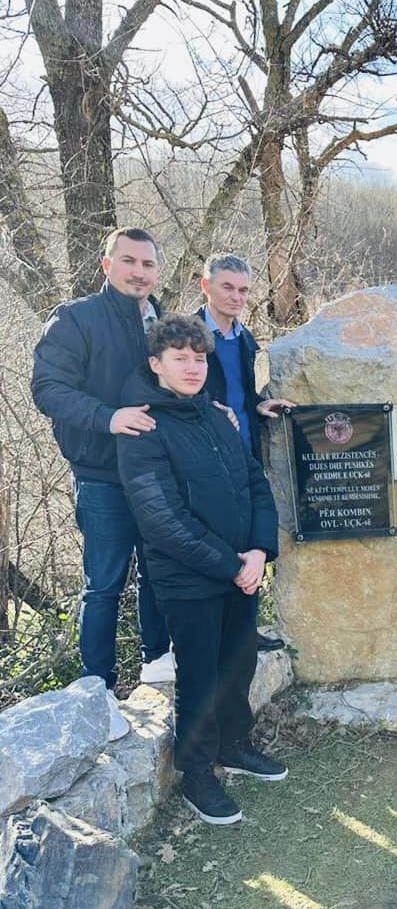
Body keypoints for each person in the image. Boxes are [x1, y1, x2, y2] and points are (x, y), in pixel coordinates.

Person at [116, 314, 285, 825]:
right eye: (180, 358)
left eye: (199, 358)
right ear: (156, 363)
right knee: (199, 676)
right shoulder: (143, 428)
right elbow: (162, 518)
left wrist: (259, 551)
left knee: (239, 663)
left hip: (242, 569)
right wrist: (231, 565)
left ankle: (233, 744)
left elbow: (254, 482)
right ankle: (196, 772)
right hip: (190, 580)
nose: (192, 367)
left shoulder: (216, 416)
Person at [31, 227, 173, 740]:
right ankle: (98, 692)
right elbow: (47, 388)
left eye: (148, 264)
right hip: (101, 475)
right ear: (106, 265)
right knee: (104, 585)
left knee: (157, 570)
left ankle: (157, 661)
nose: (139, 272)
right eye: (128, 261)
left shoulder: (160, 321)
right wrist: (108, 418)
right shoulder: (76, 318)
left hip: (154, 472)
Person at [197, 252, 293, 652]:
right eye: (227, 287)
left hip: (244, 454)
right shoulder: (188, 336)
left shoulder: (244, 338)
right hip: (204, 456)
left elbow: (238, 393)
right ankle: (213, 635)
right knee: (216, 544)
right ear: (206, 286)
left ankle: (243, 633)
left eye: (243, 290)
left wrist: (257, 405)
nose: (236, 297)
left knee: (249, 540)